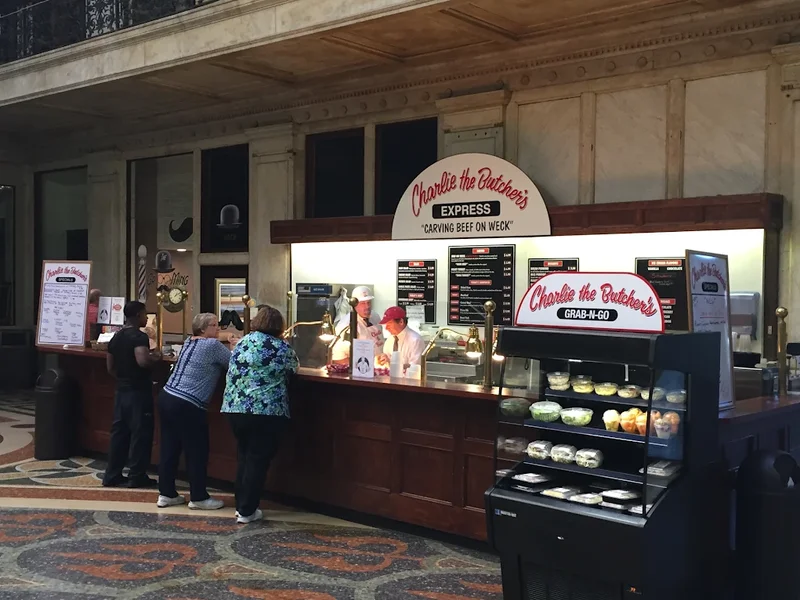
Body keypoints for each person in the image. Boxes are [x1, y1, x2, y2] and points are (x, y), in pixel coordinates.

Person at [222, 305, 298, 524]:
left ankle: (241, 506)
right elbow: (295, 368)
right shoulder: (281, 348)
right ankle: (247, 510)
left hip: (235, 408)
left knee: (244, 456)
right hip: (266, 410)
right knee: (257, 459)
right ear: (279, 326)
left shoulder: (242, 342)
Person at [156, 313, 231, 510]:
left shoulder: (190, 341)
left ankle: (166, 493)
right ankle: (198, 497)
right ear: (204, 329)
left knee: (169, 447)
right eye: (214, 326)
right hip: (189, 403)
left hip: (167, 396)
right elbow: (234, 363)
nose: (218, 329)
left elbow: (220, 338)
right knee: (196, 450)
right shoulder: (213, 346)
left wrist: (226, 337)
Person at [103, 301, 161, 488]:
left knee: (119, 434)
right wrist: (156, 358)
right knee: (140, 434)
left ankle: (112, 474)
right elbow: (143, 361)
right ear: (137, 315)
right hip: (138, 392)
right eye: (145, 314)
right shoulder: (138, 336)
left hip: (121, 391)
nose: (146, 318)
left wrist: (122, 378)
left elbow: (110, 367)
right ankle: (137, 475)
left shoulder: (116, 337)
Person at [331, 285, 384, 364]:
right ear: (354, 304)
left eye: (369, 302)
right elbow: (338, 358)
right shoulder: (345, 325)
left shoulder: (375, 316)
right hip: (362, 370)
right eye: (363, 303)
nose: (367, 306)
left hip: (380, 368)